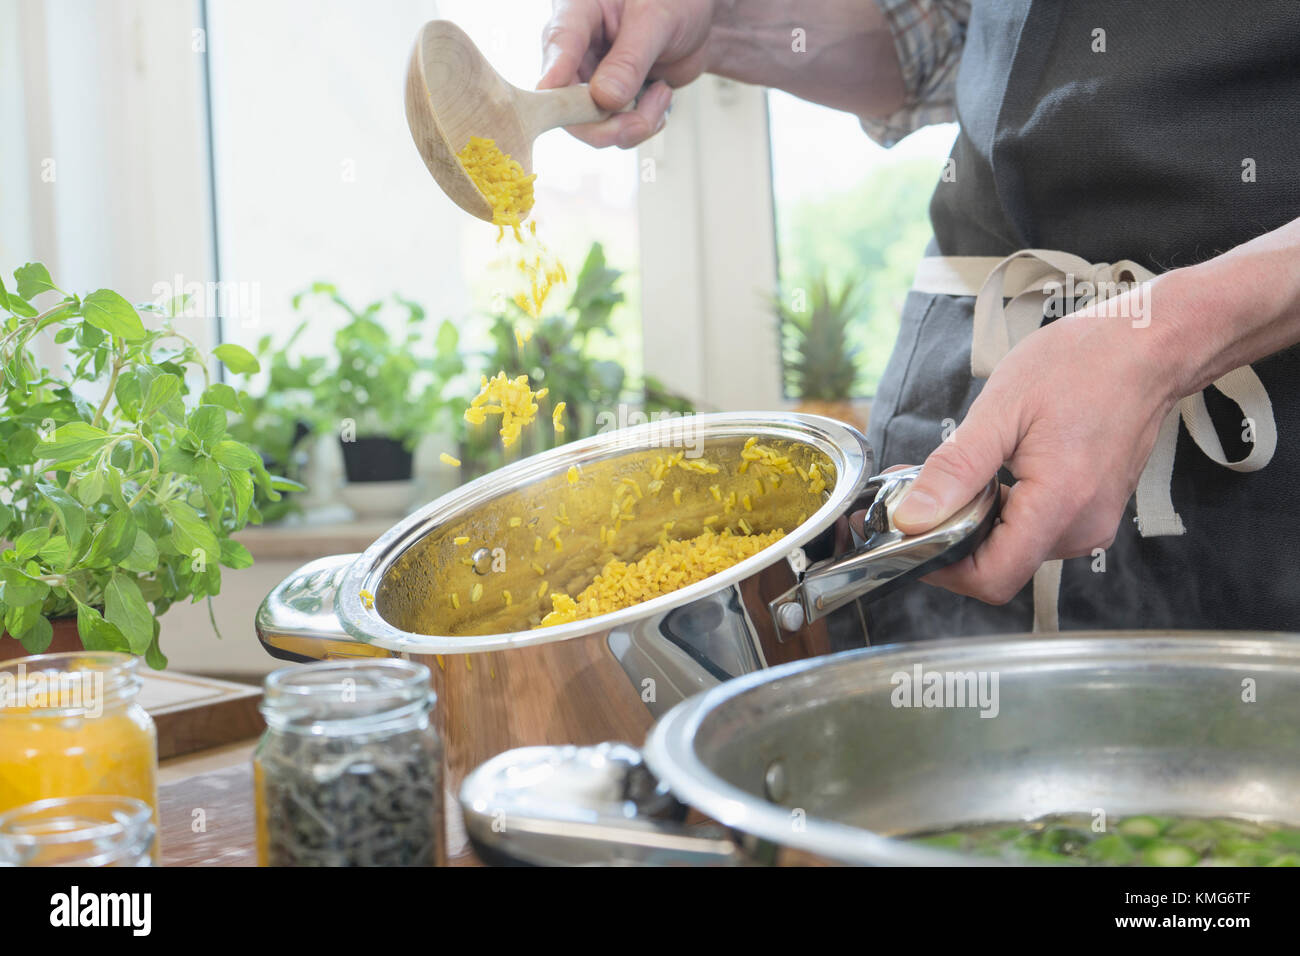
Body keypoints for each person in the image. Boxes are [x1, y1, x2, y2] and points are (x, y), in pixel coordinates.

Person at [538, 0, 1300, 640]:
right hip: (970, 413)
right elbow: (953, 30)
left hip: (1259, 453)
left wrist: (1161, 338)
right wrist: (724, 25)